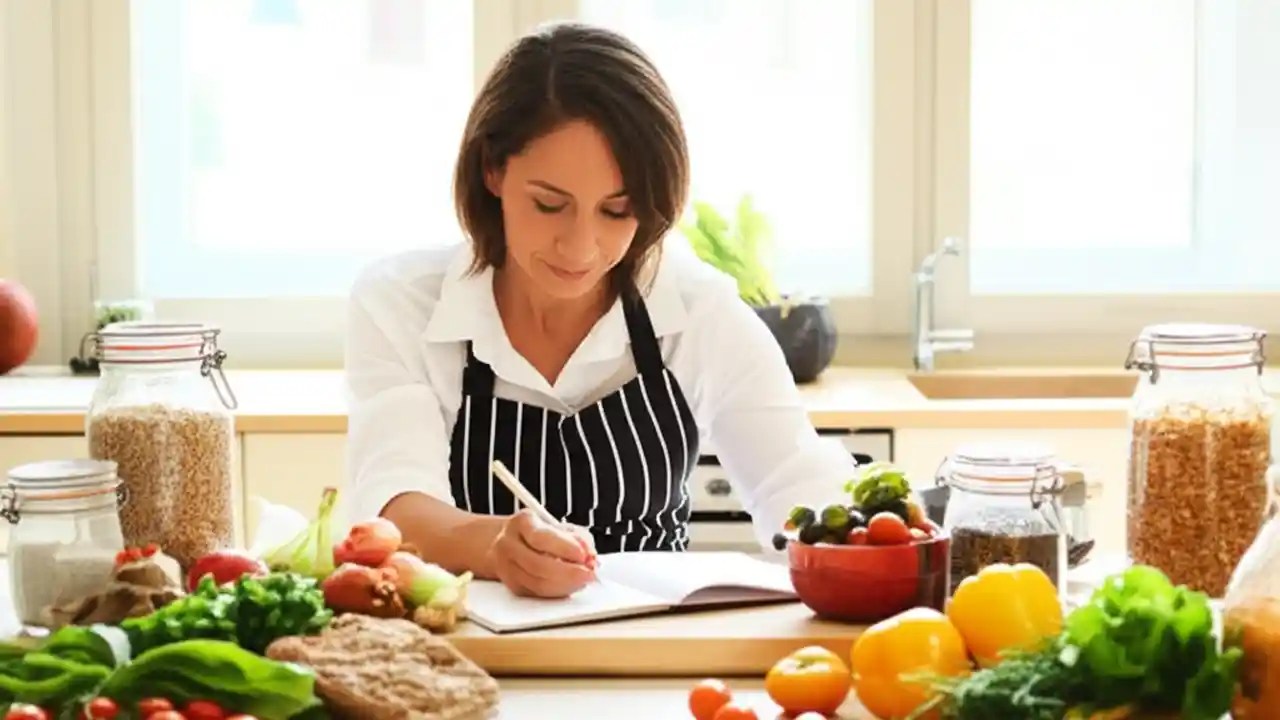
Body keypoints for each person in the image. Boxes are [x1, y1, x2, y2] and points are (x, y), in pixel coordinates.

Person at [344, 21, 856, 599]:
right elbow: (395, 510)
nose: (581, 248)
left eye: (616, 211)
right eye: (549, 204)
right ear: (492, 169)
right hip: (466, 641)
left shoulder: (694, 307)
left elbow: (797, 482)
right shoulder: (402, 303)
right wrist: (494, 546)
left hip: (651, 640)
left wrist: (865, 540)